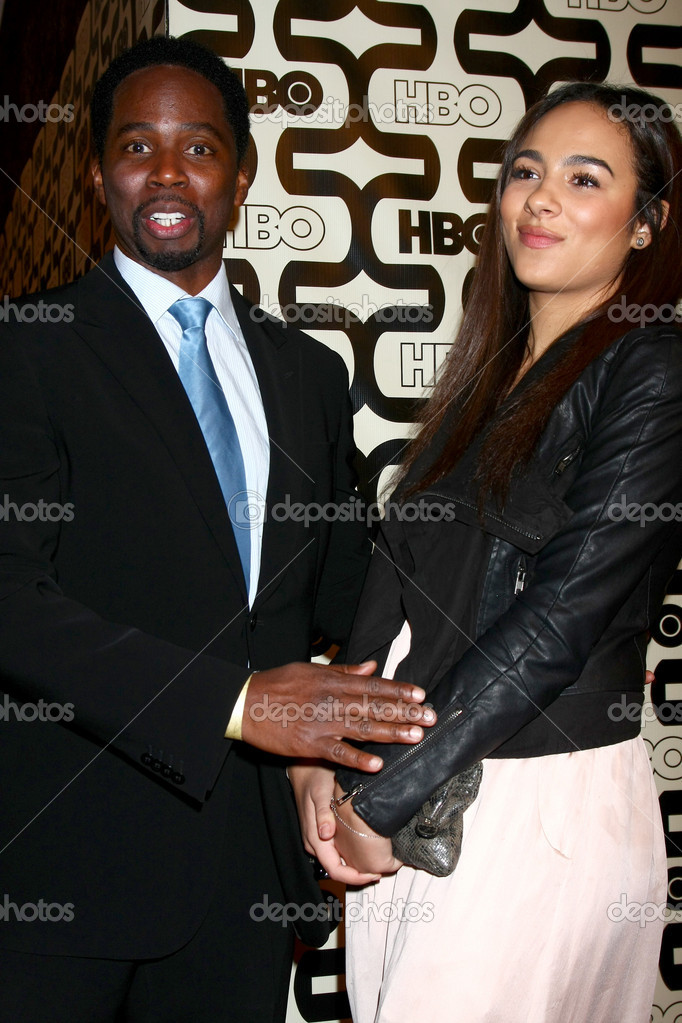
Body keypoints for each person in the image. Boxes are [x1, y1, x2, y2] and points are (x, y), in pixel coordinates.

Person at [0, 36, 435, 1023]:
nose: (164, 172)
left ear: (241, 173)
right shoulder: (27, 349)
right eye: (134, 146)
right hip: (61, 871)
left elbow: (340, 600)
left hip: (247, 876)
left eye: (196, 147)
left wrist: (327, 751)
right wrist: (234, 705)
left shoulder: (311, 377)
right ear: (96, 170)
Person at [292, 81, 682, 1022]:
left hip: (533, 802)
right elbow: (394, 592)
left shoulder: (653, 364)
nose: (540, 198)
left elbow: (562, 614)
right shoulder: (485, 373)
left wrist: (383, 804)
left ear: (646, 223)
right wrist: (326, 747)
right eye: (525, 171)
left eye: (585, 178)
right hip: (413, 787)